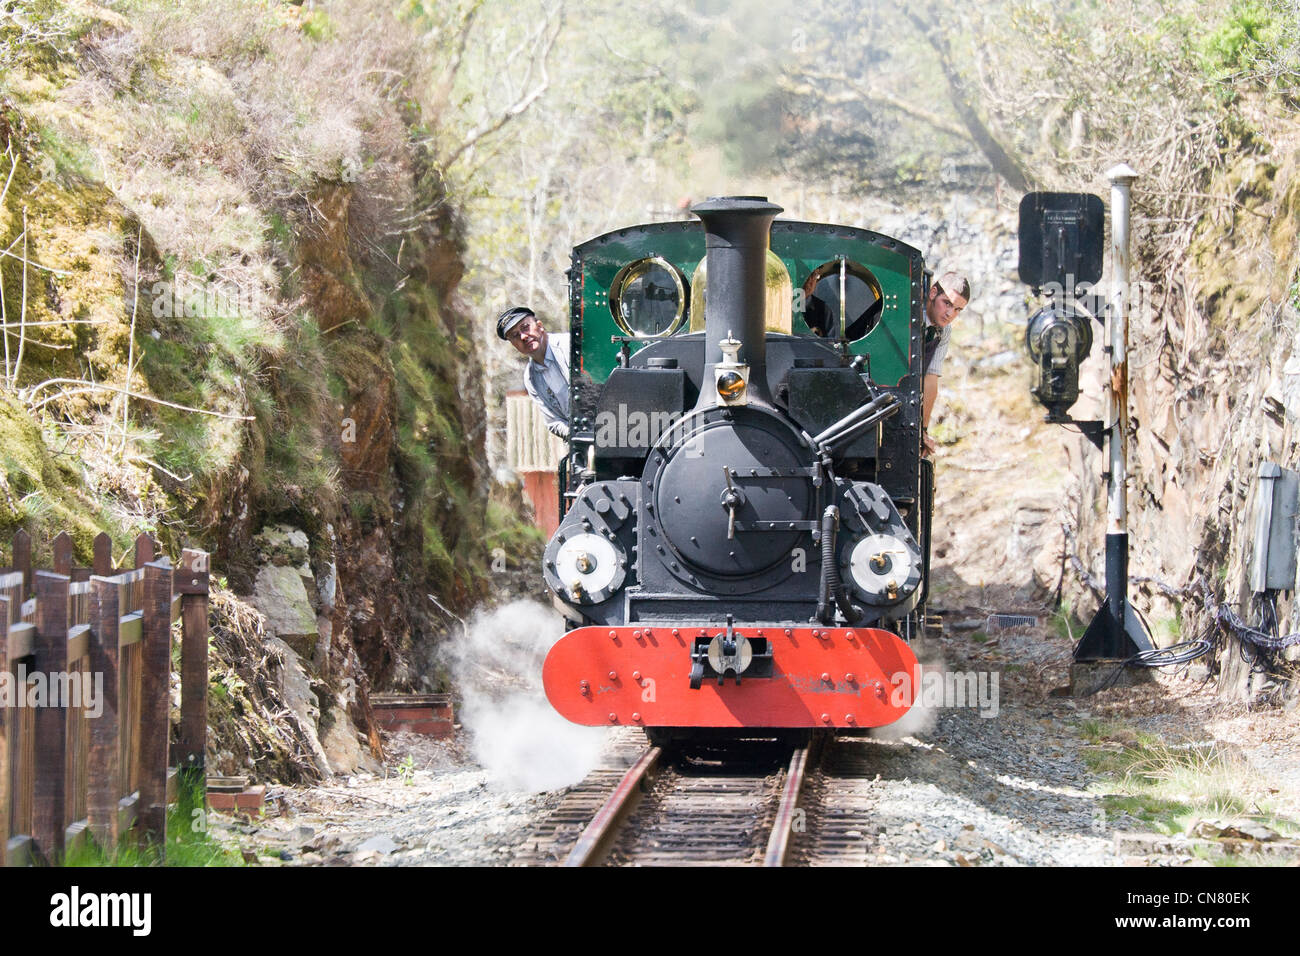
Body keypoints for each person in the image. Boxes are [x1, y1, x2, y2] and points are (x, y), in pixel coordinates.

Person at [497, 306, 570, 440]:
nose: (523, 336)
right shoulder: (530, 379)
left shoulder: (570, 345)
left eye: (525, 327)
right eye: (515, 335)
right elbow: (553, 422)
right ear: (513, 344)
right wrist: (577, 436)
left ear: (540, 326)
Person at [920, 271, 971, 457]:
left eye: (958, 309)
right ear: (933, 293)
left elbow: (931, 380)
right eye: (947, 303)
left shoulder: (944, 331)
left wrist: (922, 431)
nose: (950, 314)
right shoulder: (911, 316)